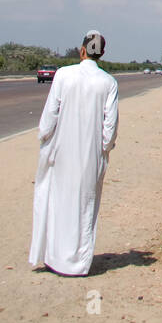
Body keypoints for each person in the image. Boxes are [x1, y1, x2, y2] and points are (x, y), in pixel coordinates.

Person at [29, 30, 119, 277]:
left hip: (60, 151)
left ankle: (53, 258)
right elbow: (109, 128)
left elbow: (50, 115)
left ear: (82, 50)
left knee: (57, 201)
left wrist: (44, 138)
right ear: (101, 54)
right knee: (84, 206)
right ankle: (78, 264)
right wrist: (104, 150)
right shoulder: (108, 83)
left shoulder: (63, 75)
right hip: (91, 155)